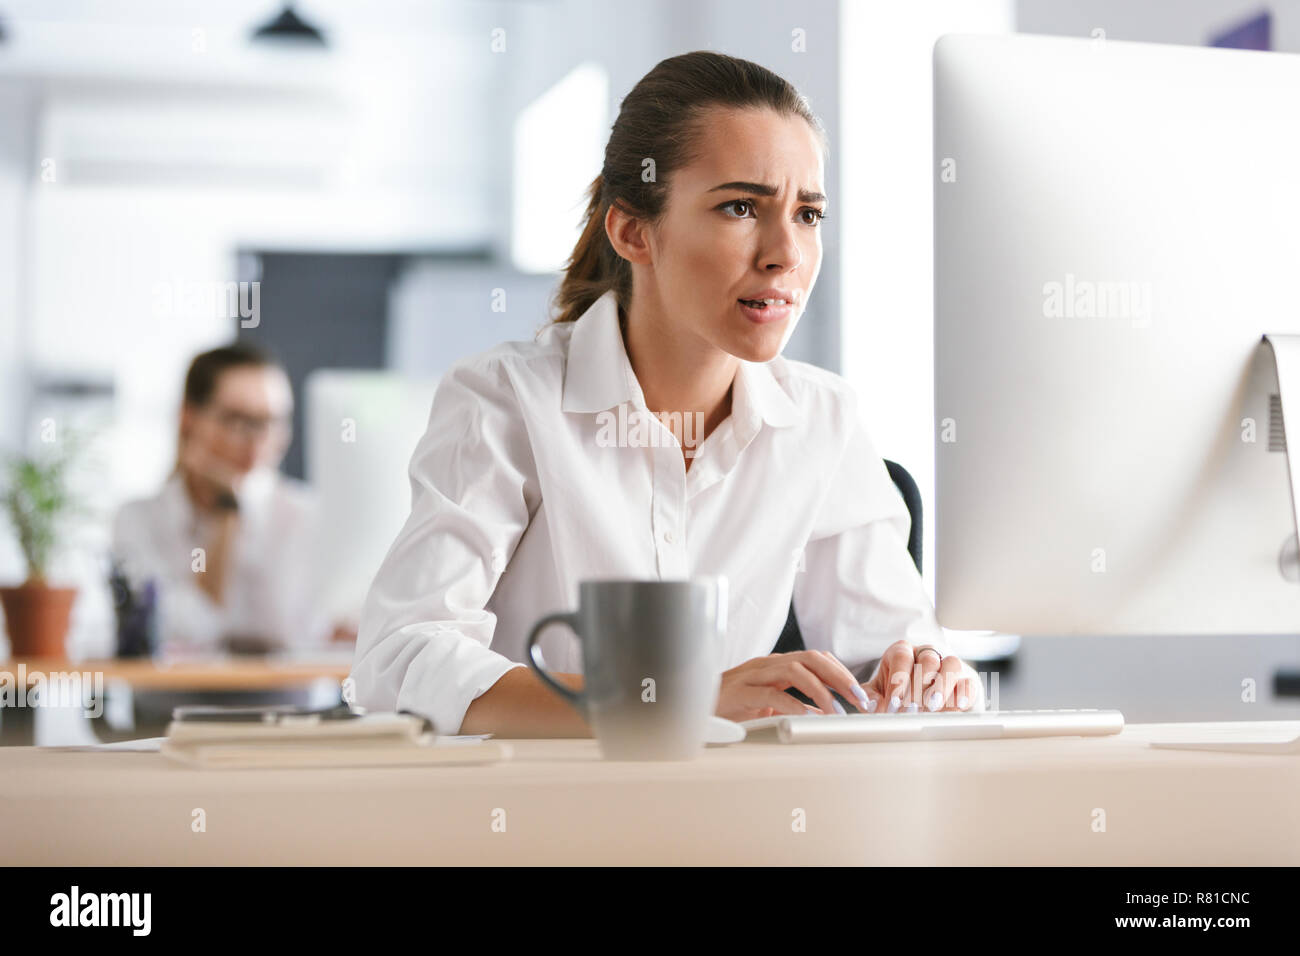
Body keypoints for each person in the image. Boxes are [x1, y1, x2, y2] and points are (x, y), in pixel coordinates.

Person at [352, 50, 985, 738]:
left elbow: (887, 657)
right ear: (631, 230)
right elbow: (401, 660)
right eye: (741, 207)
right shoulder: (507, 401)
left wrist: (924, 673)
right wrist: (677, 701)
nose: (785, 254)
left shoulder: (822, 421)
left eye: (807, 214)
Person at [112, 343, 353, 658]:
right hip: (171, 704)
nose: (258, 439)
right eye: (237, 420)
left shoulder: (305, 515)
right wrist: (227, 513)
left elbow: (298, 632)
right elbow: (186, 629)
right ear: (189, 419)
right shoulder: (139, 519)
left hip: (290, 703)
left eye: (273, 421)